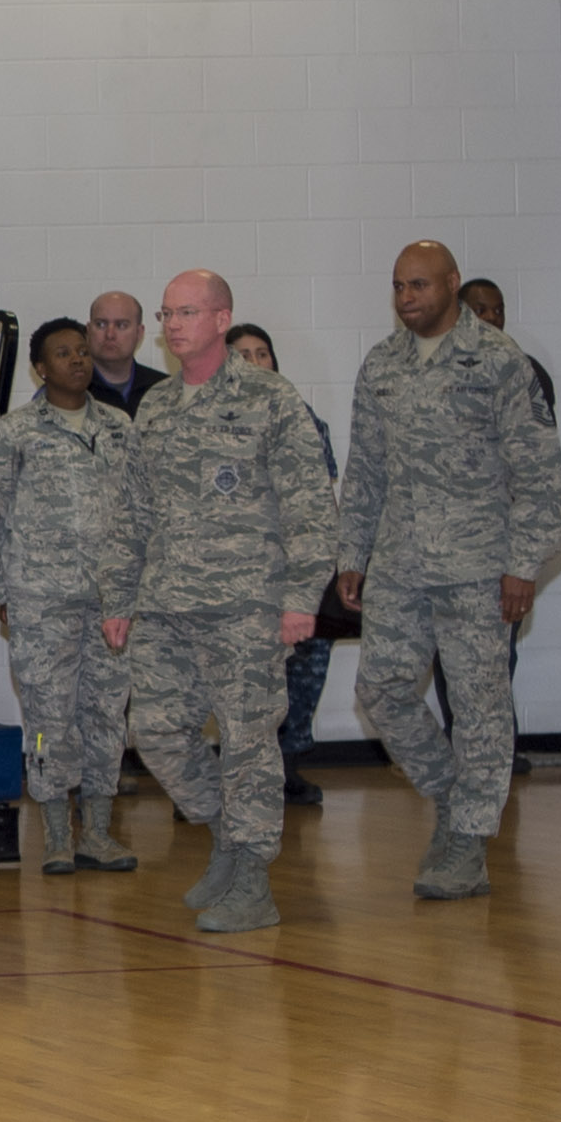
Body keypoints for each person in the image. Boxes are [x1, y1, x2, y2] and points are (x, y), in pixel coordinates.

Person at [107, 273, 339, 933]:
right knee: (154, 730)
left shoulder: (269, 398)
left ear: (221, 319)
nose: (173, 324)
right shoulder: (155, 407)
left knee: (247, 743)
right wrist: (118, 594)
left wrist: (300, 596)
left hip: (247, 605)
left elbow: (309, 504)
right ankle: (228, 842)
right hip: (166, 603)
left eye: (187, 312)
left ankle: (255, 881)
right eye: (167, 313)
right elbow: (132, 511)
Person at [338, 238, 561, 901]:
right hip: (401, 563)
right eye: (399, 286)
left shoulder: (498, 361)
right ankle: (453, 794)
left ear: (453, 284)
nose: (408, 298)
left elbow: (540, 476)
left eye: (421, 285)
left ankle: (466, 841)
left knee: (480, 709)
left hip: (479, 567)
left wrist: (524, 565)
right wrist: (352, 553)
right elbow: (366, 469)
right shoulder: (382, 365)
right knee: (380, 690)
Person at [0, 317, 140, 876]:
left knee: (105, 715)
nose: (77, 360)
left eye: (82, 350)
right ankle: (55, 834)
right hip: (41, 601)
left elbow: (140, 515)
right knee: (49, 717)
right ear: (40, 369)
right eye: (62, 353)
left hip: (109, 606)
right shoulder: (14, 433)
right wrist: (5, 593)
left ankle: (97, 831)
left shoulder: (120, 427)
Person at [223, 321, 341, 809]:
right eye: (242, 355)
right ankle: (228, 778)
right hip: (237, 572)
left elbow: (323, 498)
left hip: (298, 570)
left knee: (303, 673)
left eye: (263, 353)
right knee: (237, 680)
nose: (255, 362)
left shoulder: (305, 419)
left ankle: (290, 767)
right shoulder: (212, 418)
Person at [83, 290, 162, 412]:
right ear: (88, 330)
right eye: (101, 324)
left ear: (139, 333)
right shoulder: (71, 389)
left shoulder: (163, 389)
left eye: (121, 325)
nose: (110, 334)